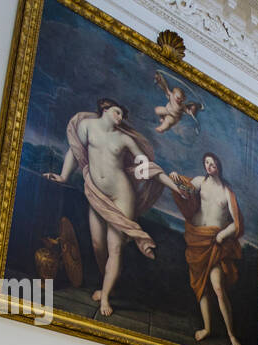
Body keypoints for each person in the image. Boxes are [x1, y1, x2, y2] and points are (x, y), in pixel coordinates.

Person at [42, 99, 181, 317]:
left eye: (122, 116)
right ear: (105, 109)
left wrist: (144, 166)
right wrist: (63, 176)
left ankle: (105, 295)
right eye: (117, 113)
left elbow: (142, 158)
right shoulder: (87, 127)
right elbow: (75, 153)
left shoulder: (124, 138)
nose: (120, 118)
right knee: (98, 245)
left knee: (115, 247)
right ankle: (108, 284)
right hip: (97, 194)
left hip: (121, 195)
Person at [169, 152, 243, 345]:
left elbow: (236, 224)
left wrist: (221, 235)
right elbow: (186, 190)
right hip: (197, 239)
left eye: (213, 162)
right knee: (200, 287)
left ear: (219, 164)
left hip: (215, 243)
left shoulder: (227, 192)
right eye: (207, 163)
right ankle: (207, 328)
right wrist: (176, 178)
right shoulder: (201, 182)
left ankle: (231, 334)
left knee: (218, 288)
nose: (210, 165)